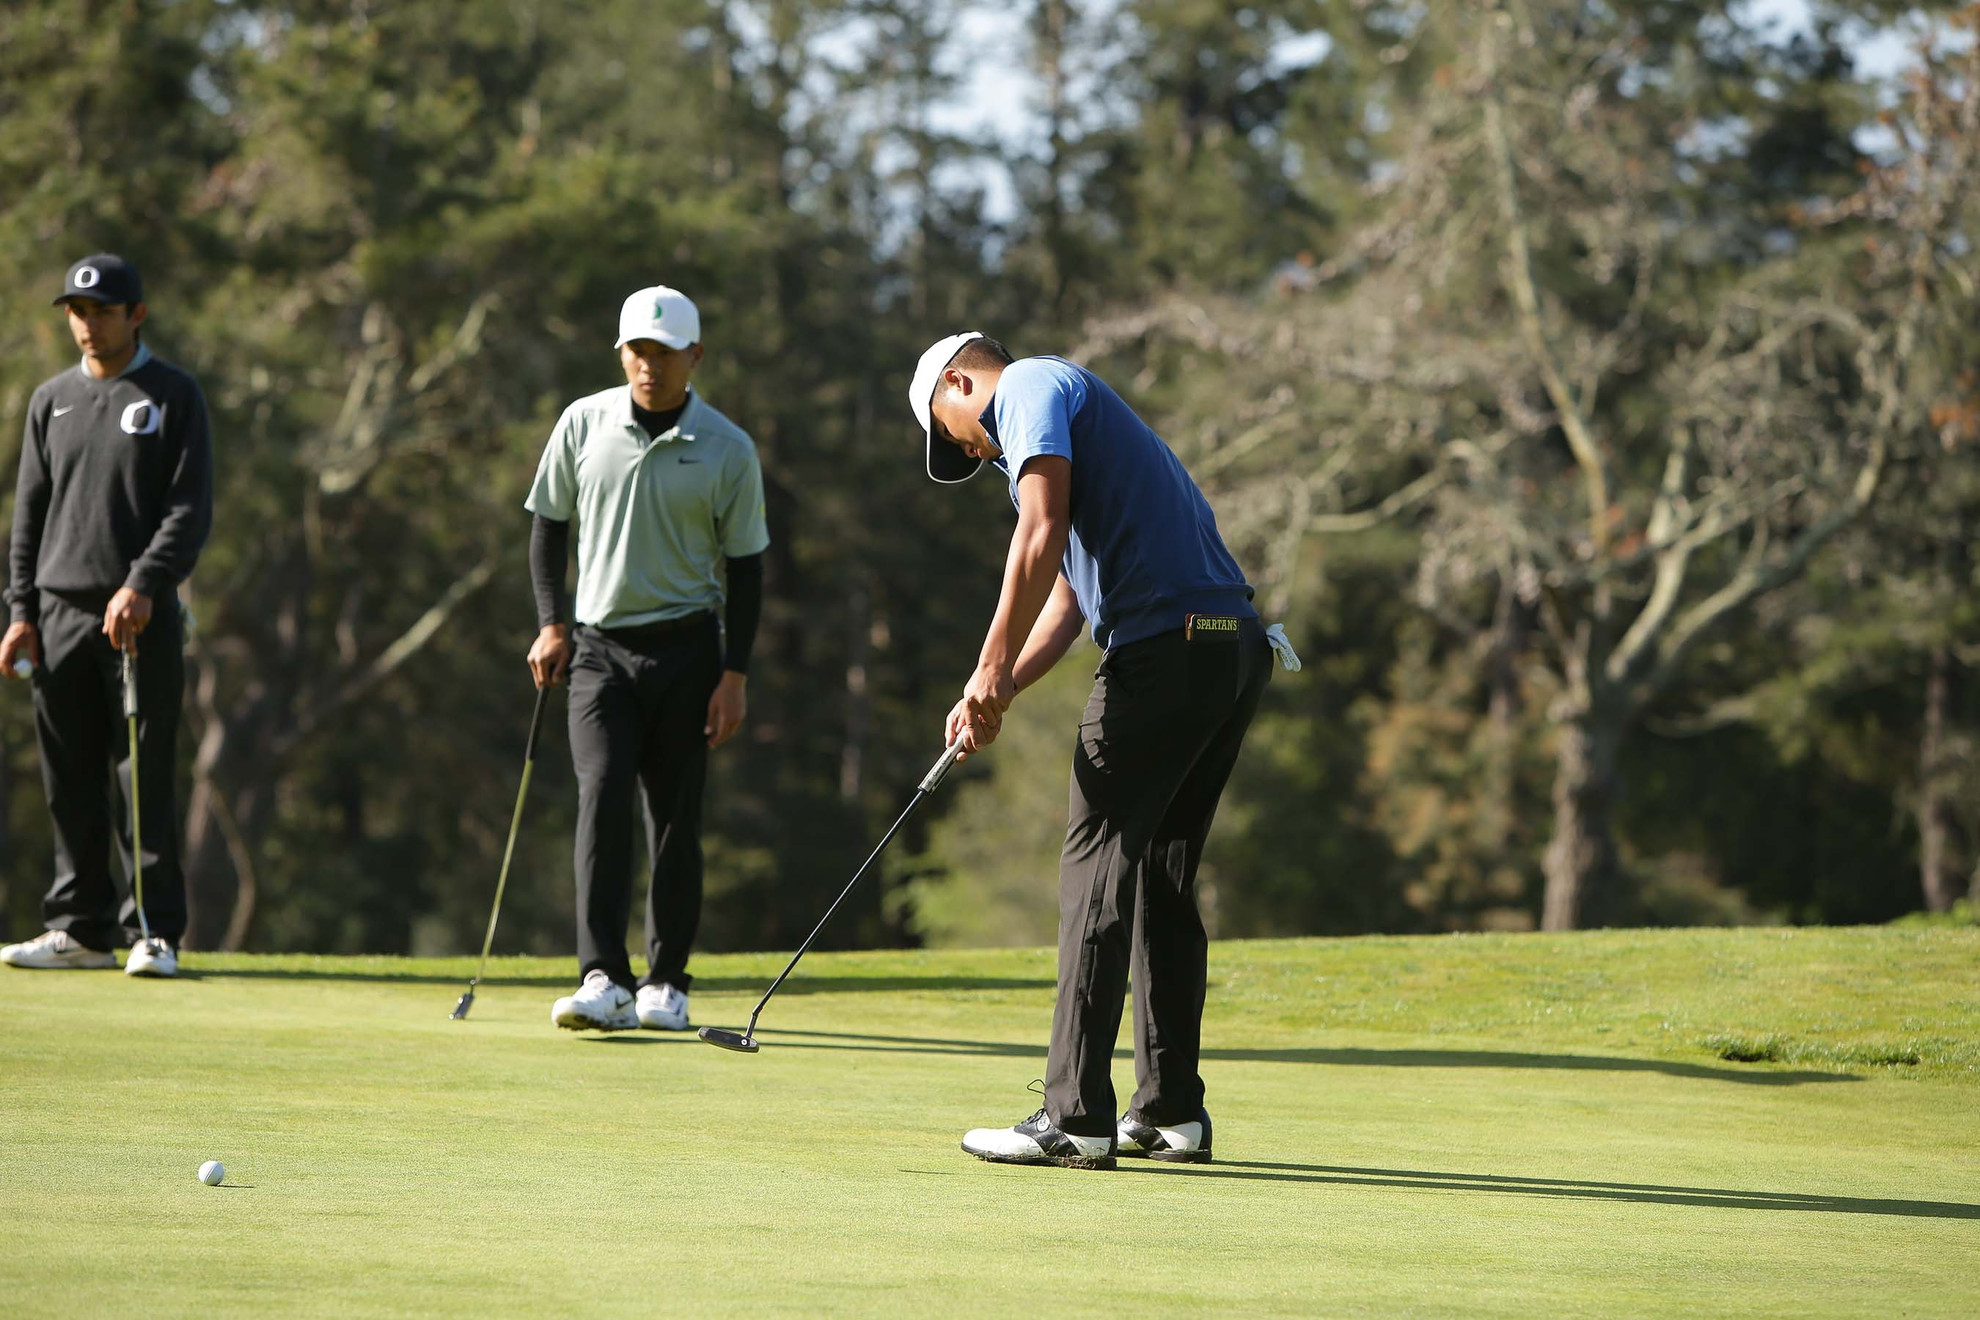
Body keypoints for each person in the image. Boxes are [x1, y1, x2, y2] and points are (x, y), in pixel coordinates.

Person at [908, 332, 1297, 1169]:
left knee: (1096, 867)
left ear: (957, 380)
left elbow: (1038, 532)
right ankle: (1170, 1111)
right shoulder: (1074, 433)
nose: (971, 453)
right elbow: (1069, 603)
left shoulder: (1032, 387)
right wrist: (1001, 685)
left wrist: (982, 664)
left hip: (1167, 654)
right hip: (1229, 651)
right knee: (1159, 874)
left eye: (955, 434)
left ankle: (1075, 1115)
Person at [525, 285, 768, 1033]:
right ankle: (603, 976)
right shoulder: (583, 423)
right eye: (636, 351)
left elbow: (749, 566)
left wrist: (734, 673)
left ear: (694, 356)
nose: (648, 366)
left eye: (663, 354)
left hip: (689, 650)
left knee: (674, 817)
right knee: (600, 798)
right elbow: (547, 527)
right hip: (599, 650)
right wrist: (550, 624)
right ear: (622, 353)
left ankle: (667, 980)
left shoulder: (727, 446)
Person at [1, 254, 215, 979]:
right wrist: (20, 611)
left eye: (101, 311)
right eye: (76, 312)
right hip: (57, 614)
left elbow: (190, 508)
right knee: (69, 777)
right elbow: (28, 517)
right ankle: (79, 928)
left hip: (138, 617)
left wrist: (145, 582)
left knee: (141, 775)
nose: (87, 325)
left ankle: (153, 930)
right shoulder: (50, 400)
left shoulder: (171, 394)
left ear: (137, 315)